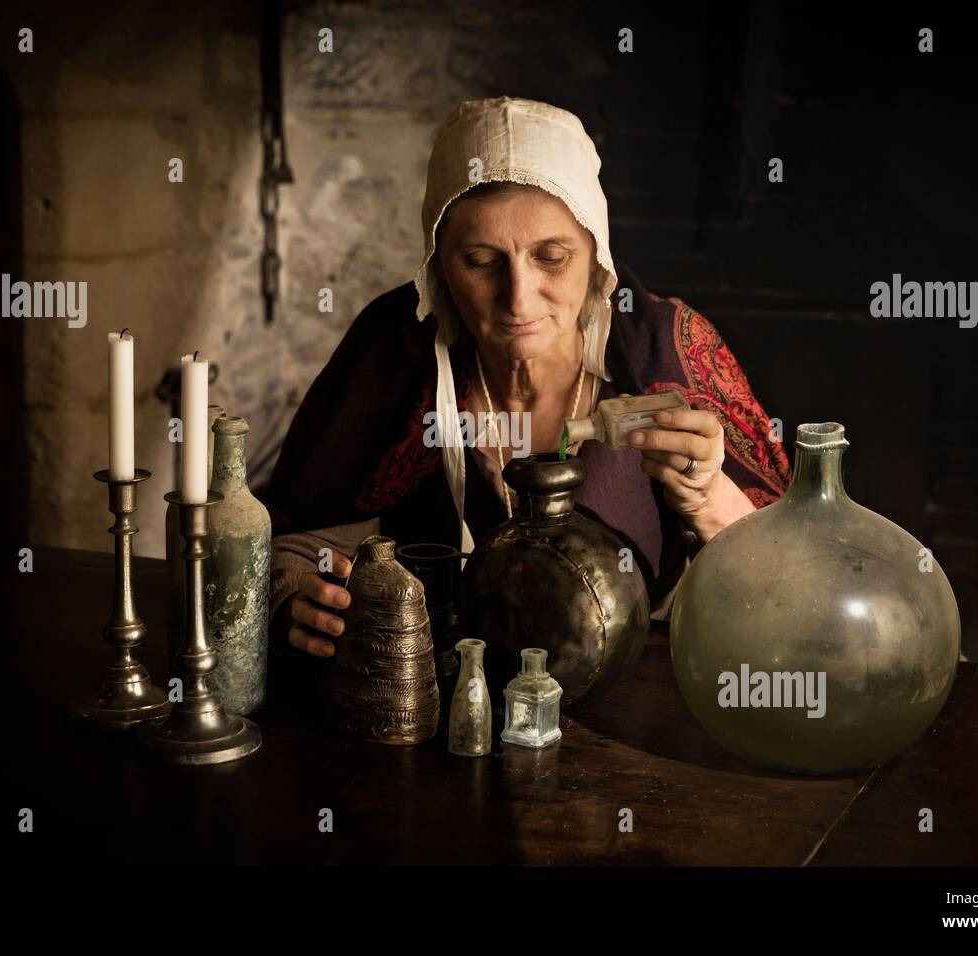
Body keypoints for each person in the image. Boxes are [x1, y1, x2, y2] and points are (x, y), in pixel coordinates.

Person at [259, 96, 790, 658]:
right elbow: (300, 534)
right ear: (439, 265)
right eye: (481, 261)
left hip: (635, 691)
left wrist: (709, 498)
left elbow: (786, 584)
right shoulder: (396, 349)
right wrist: (294, 589)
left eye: (552, 257)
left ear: (596, 254)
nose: (517, 299)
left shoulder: (666, 355)